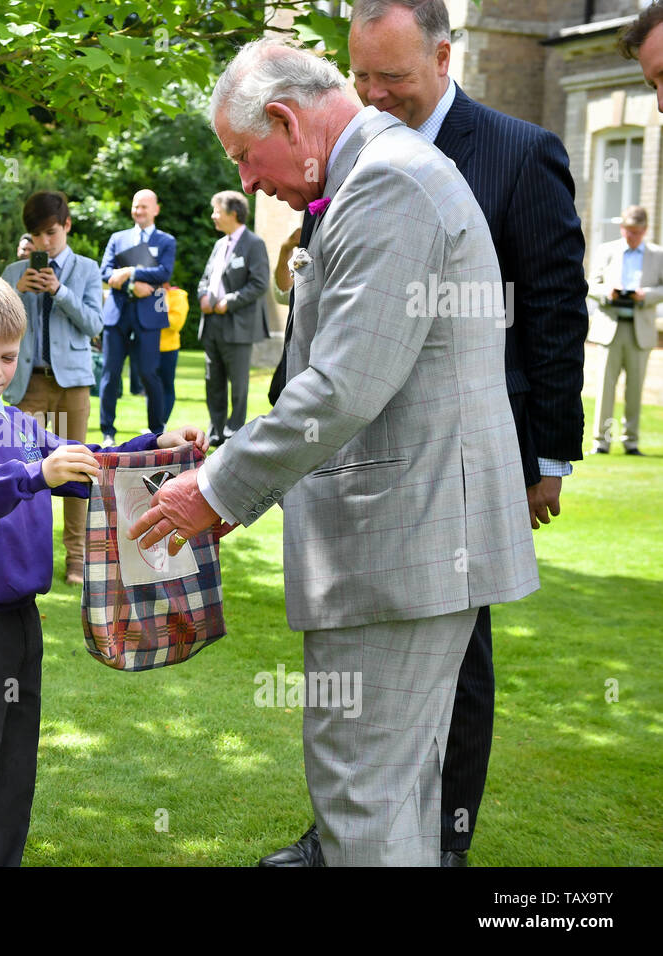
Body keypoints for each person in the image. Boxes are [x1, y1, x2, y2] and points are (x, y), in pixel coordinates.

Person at [130, 38, 537, 867]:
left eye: (246, 155)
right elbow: (350, 380)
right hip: (411, 542)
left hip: (402, 546)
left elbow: (345, 388)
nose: (247, 180)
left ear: (286, 118)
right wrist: (238, 449)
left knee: (364, 805)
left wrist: (215, 487)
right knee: (397, 799)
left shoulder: (387, 182)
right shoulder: (383, 172)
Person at [259, 0, 591, 868]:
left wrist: (544, 457)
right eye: (361, 77)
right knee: (382, 716)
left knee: (451, 670)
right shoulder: (349, 154)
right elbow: (333, 327)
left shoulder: (519, 152)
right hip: (369, 461)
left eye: (393, 78)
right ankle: (365, 834)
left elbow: (553, 310)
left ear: (445, 58)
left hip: (473, 459)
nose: (375, 94)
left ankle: (444, 836)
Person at [0, 270, 205, 866]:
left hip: (21, 623)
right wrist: (30, 476)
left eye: (7, 357)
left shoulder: (22, 425)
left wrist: (163, 445)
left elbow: (91, 467)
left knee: (14, 765)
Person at [1, 189, 104, 585]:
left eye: (51, 232)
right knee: (26, 470)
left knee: (78, 470)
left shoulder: (88, 269)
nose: (45, 242)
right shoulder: (14, 273)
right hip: (28, 385)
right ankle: (23, 551)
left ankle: (76, 557)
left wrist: (59, 292)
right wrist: (16, 293)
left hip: (72, 383)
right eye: (37, 234)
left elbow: (95, 325)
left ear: (67, 226)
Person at [98, 189, 176, 443]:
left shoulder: (166, 241)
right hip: (117, 315)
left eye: (144, 206)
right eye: (135, 206)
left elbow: (164, 273)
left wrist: (130, 271)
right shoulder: (117, 238)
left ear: (156, 210)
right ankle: (107, 432)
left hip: (149, 316)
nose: (138, 211)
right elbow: (105, 272)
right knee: (110, 374)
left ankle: (156, 430)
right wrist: (132, 285)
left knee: (149, 374)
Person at [587, 205, 662, 456]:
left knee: (634, 389)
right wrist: (608, 292)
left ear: (645, 231)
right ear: (622, 229)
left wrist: (646, 295)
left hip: (640, 328)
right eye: (629, 231)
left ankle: (631, 442)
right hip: (611, 325)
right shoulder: (607, 250)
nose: (633, 236)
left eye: (638, 232)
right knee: (606, 387)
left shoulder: (657, 254)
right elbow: (590, 284)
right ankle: (602, 441)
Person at [197, 190, 269, 446]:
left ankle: (234, 431)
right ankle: (215, 431)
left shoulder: (254, 244)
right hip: (212, 324)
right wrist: (203, 296)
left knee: (238, 384)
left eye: (217, 210)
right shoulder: (219, 244)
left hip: (237, 325)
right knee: (212, 381)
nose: (213, 216)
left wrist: (229, 302)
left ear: (233, 213)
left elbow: (259, 284)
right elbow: (206, 278)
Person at [157, 281, 189, 429]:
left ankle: (162, 422)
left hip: (168, 348)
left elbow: (176, 323)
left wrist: (153, 316)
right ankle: (155, 422)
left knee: (167, 385)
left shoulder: (178, 295)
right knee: (153, 388)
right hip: (149, 348)